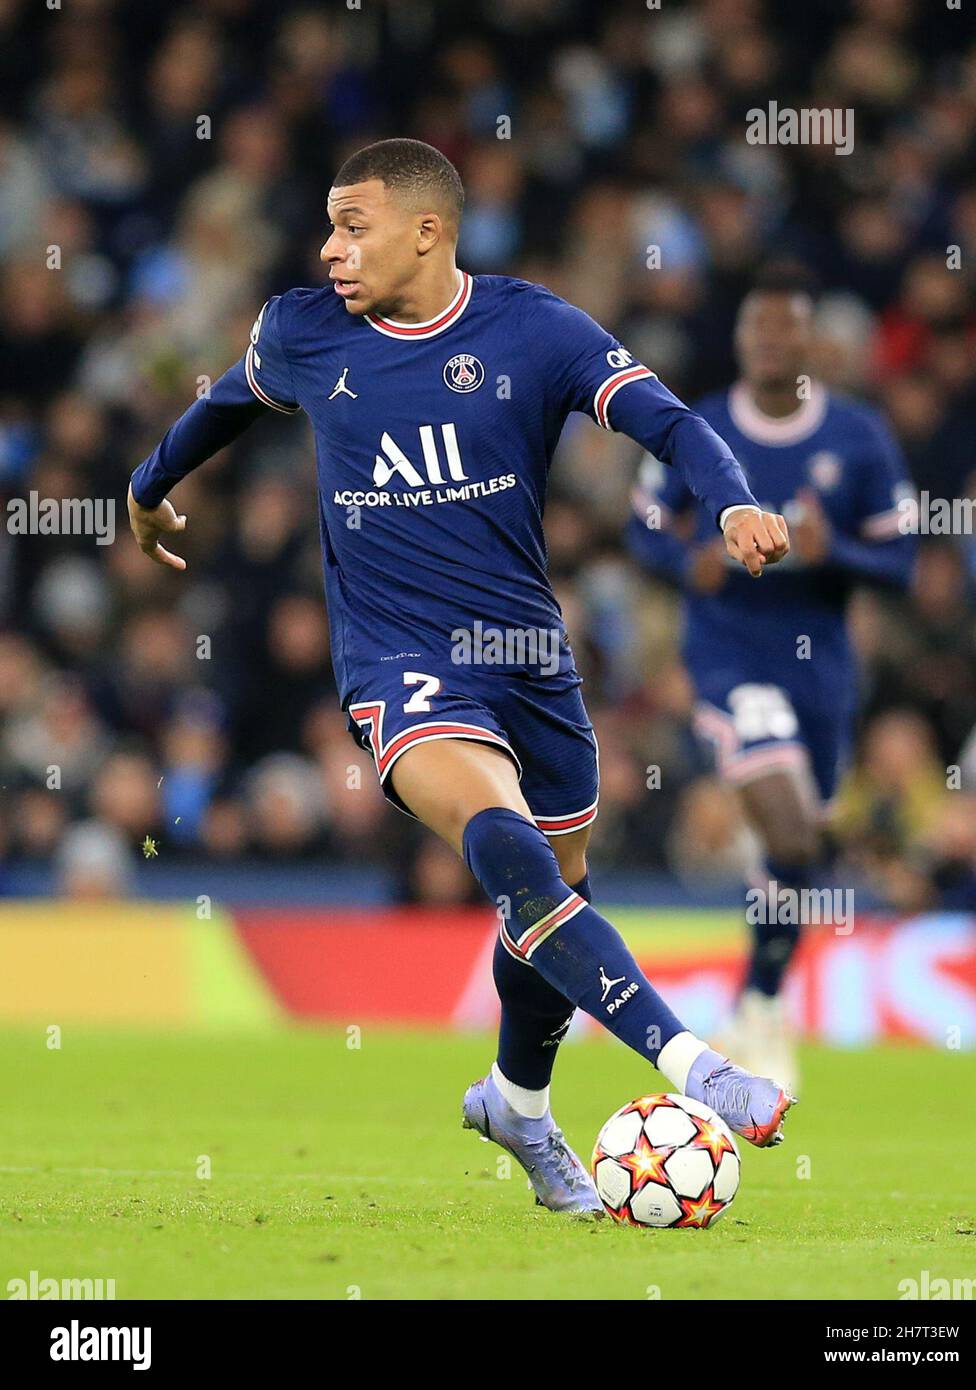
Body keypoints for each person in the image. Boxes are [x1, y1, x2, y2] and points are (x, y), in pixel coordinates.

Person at [129, 139, 792, 1217]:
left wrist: (729, 498)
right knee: (502, 842)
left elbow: (663, 417)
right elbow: (227, 405)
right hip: (398, 664)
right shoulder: (301, 330)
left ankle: (518, 1104)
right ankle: (694, 1065)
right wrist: (148, 485)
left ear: (429, 230)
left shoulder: (534, 330)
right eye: (331, 226)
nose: (330, 250)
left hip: (530, 664)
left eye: (355, 227)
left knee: (550, 897)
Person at [628, 273, 916, 1090]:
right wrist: (688, 564)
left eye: (783, 332)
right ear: (742, 340)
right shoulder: (701, 427)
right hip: (729, 661)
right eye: (754, 331)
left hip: (821, 672)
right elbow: (640, 527)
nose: (766, 345)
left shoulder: (857, 437)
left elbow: (900, 560)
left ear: (808, 345)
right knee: (789, 835)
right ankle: (760, 1006)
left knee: (799, 853)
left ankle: (757, 1004)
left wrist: (837, 555)